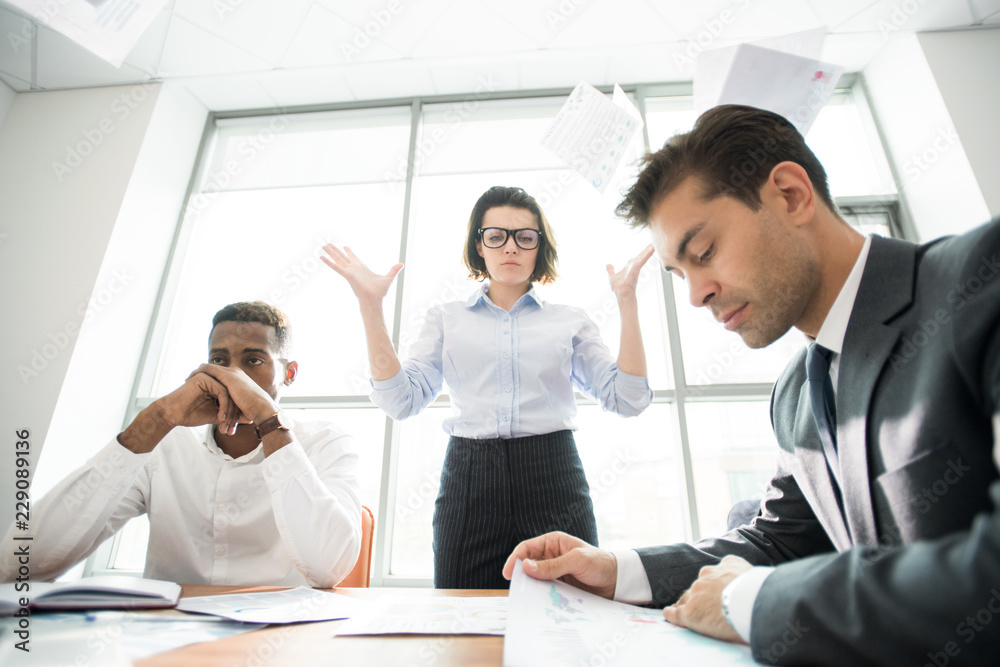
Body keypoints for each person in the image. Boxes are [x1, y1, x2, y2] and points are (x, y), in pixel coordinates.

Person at [503, 105, 1000, 665]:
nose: (695, 295)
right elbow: (779, 542)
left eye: (705, 253)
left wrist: (747, 599)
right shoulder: (794, 395)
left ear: (790, 195)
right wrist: (615, 569)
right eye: (679, 273)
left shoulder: (981, 279)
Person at [323, 185, 653, 589]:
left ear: (539, 247)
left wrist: (626, 299)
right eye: (496, 236)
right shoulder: (446, 318)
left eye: (524, 237)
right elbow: (400, 401)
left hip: (553, 472)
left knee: (571, 612)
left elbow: (629, 399)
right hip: (470, 477)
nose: (510, 247)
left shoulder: (570, 320)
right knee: (461, 615)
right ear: (479, 245)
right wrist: (370, 306)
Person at [0, 301, 362, 587]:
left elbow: (329, 569)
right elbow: (18, 564)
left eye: (253, 360)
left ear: (289, 373)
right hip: (162, 641)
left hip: (280, 641)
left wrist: (269, 420)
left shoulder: (326, 442)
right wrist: (154, 420)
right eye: (219, 361)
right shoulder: (165, 444)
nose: (231, 375)